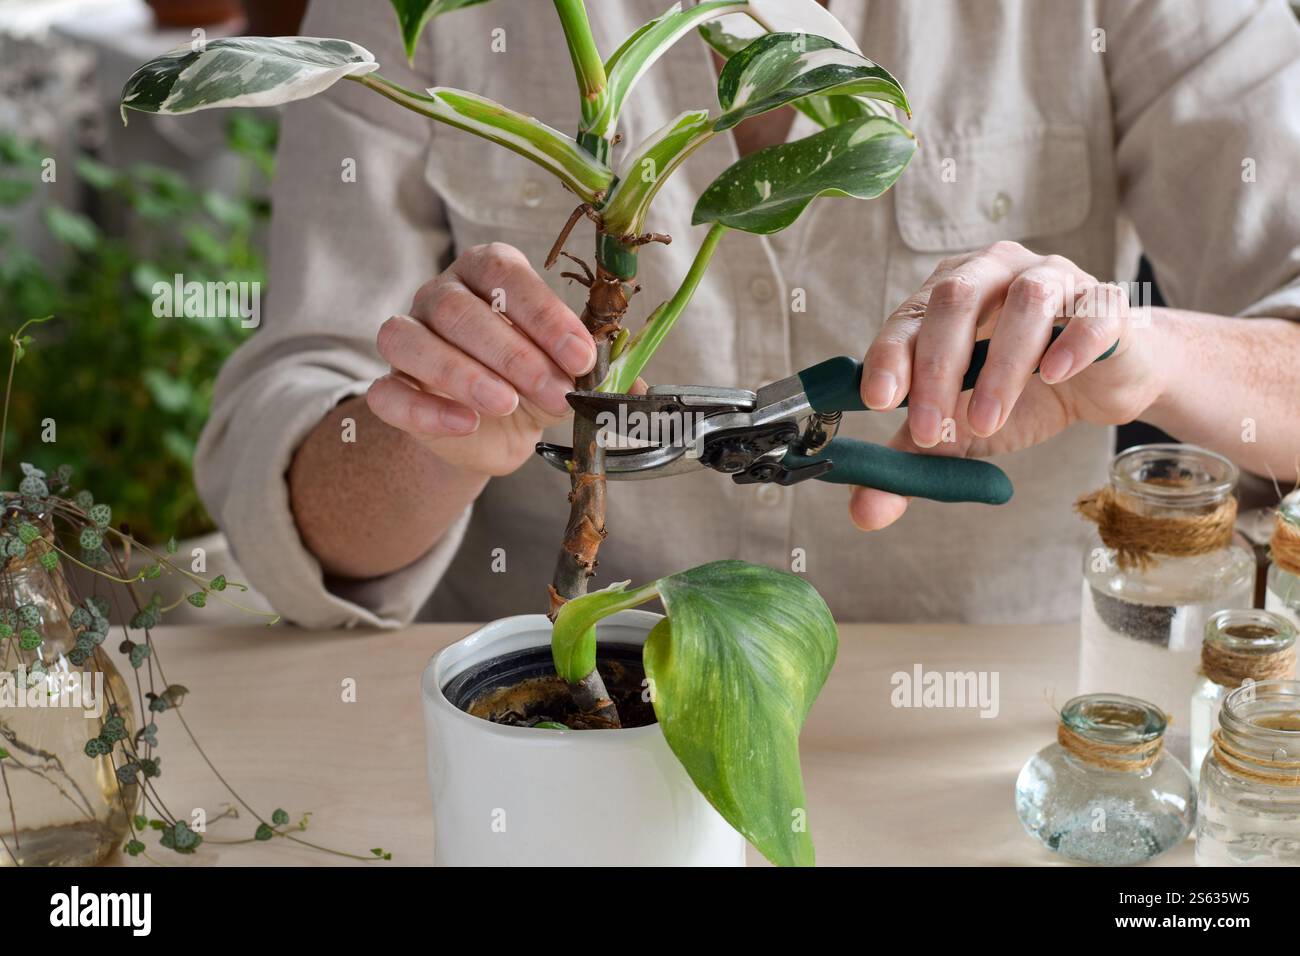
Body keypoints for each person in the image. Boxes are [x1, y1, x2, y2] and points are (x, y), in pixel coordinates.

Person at [195, 0, 1300, 629]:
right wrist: (432, 425)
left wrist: (1145, 349)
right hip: (538, 712)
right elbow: (292, 503)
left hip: (987, 747)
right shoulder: (405, 20)